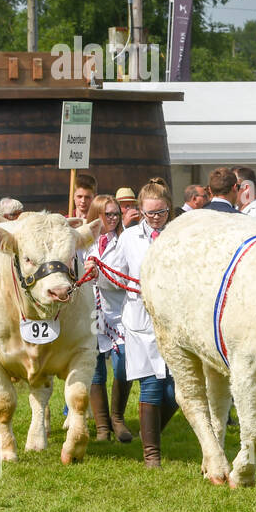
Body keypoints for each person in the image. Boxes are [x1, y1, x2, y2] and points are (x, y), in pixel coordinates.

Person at [106, 182, 177, 467]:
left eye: (161, 212)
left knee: (175, 390)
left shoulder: (178, 235)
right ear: (140, 211)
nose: (156, 217)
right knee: (151, 383)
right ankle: (152, 455)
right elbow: (117, 274)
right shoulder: (129, 237)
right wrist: (98, 271)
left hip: (175, 318)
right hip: (141, 319)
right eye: (150, 213)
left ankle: (150, 435)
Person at [87, 193, 132, 443]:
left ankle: (118, 418)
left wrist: (99, 275)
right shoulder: (83, 243)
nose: (114, 218)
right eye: (109, 214)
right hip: (91, 313)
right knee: (95, 370)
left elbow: (126, 278)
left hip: (117, 313)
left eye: (117, 214)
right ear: (97, 215)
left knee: (123, 363)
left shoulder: (125, 241)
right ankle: (103, 426)